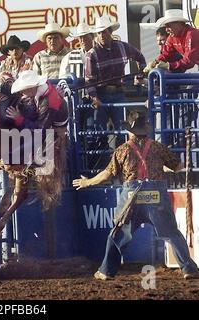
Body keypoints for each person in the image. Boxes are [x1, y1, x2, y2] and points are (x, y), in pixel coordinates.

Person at [72, 110, 199, 281]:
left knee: (118, 234)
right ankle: (188, 268)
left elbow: (106, 175)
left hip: (132, 195)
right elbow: (178, 166)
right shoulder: (158, 147)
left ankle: (106, 271)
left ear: (129, 131)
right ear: (145, 129)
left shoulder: (122, 150)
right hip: (156, 194)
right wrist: (162, 167)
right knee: (172, 233)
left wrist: (87, 182)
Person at [85, 14, 146, 167]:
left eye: (104, 31)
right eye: (99, 32)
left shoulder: (122, 46)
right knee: (99, 133)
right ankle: (102, 169)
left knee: (122, 132)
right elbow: (88, 80)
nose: (102, 35)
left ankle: (123, 166)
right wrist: (93, 96)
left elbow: (140, 57)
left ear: (110, 31)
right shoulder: (91, 54)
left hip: (118, 92)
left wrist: (139, 76)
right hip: (101, 95)